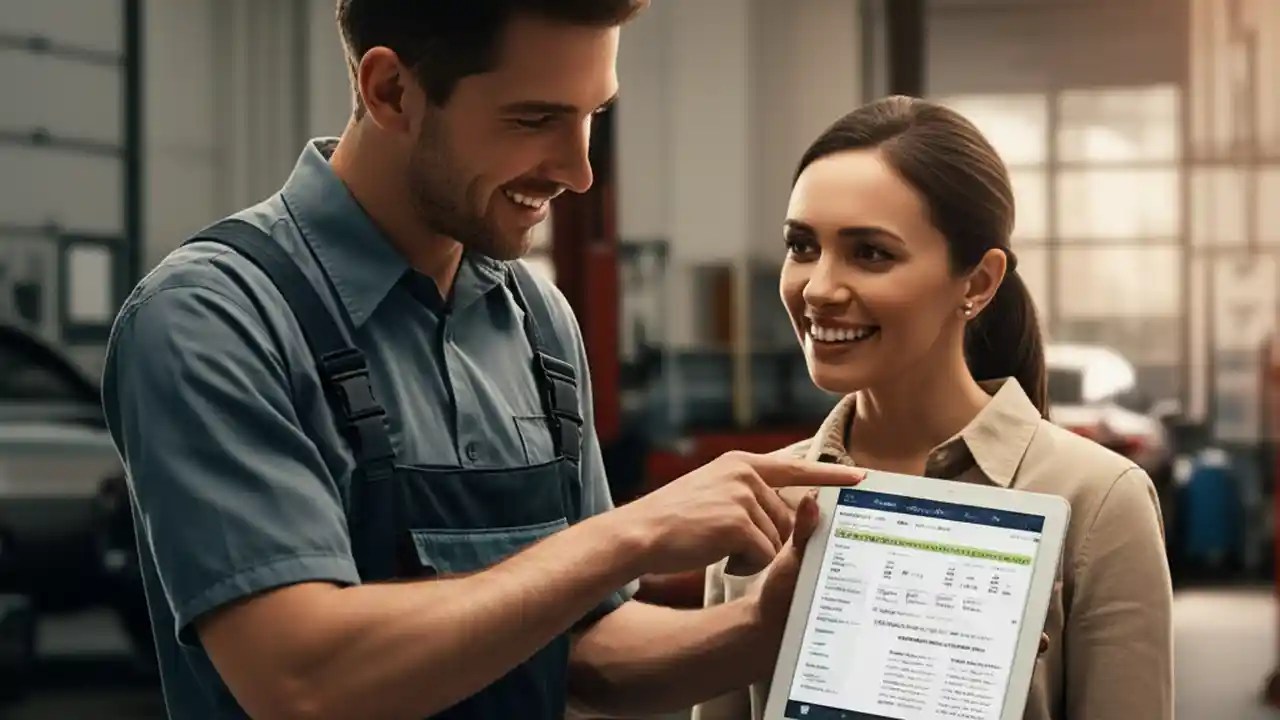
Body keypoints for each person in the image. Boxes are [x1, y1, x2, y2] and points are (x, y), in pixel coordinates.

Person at [99, 2, 866, 718]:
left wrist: (767, 623)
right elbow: (302, 678)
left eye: (592, 116)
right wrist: (628, 535)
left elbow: (583, 650)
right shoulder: (214, 319)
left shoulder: (538, 323)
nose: (577, 170)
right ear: (392, 90)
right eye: (533, 118)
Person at [693, 96, 1173, 720]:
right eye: (803, 246)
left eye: (870, 253)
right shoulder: (756, 498)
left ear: (977, 283)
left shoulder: (1100, 500)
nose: (818, 288)